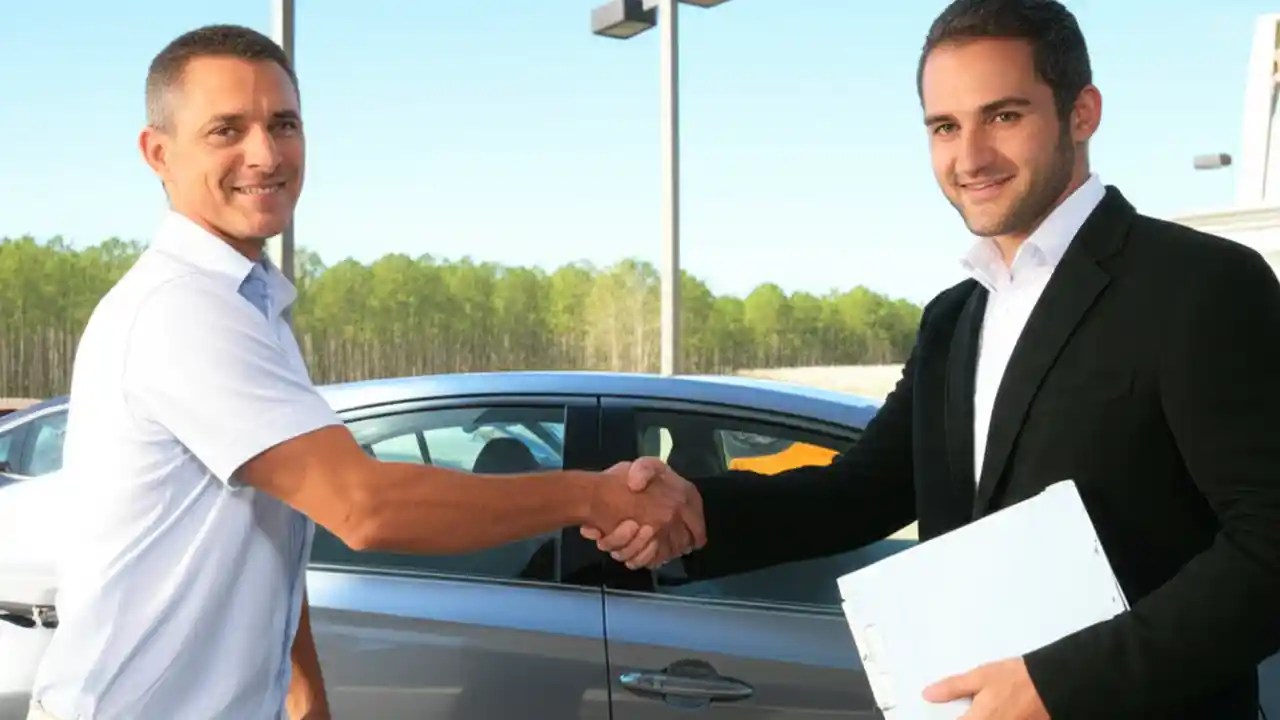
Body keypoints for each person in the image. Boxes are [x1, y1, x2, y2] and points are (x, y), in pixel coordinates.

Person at [587, 0, 1280, 717]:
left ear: (1082, 113)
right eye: (945, 127)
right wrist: (697, 507)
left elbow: (1270, 547)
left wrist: (1060, 683)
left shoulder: (1200, 287)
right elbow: (863, 491)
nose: (970, 157)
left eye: (1004, 116)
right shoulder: (954, 317)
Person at [26, 24, 704, 720]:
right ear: (158, 153)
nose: (264, 153)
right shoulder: (183, 309)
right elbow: (362, 505)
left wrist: (305, 696)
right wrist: (593, 497)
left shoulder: (247, 304)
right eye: (226, 130)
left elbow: (275, 524)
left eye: (283, 123)